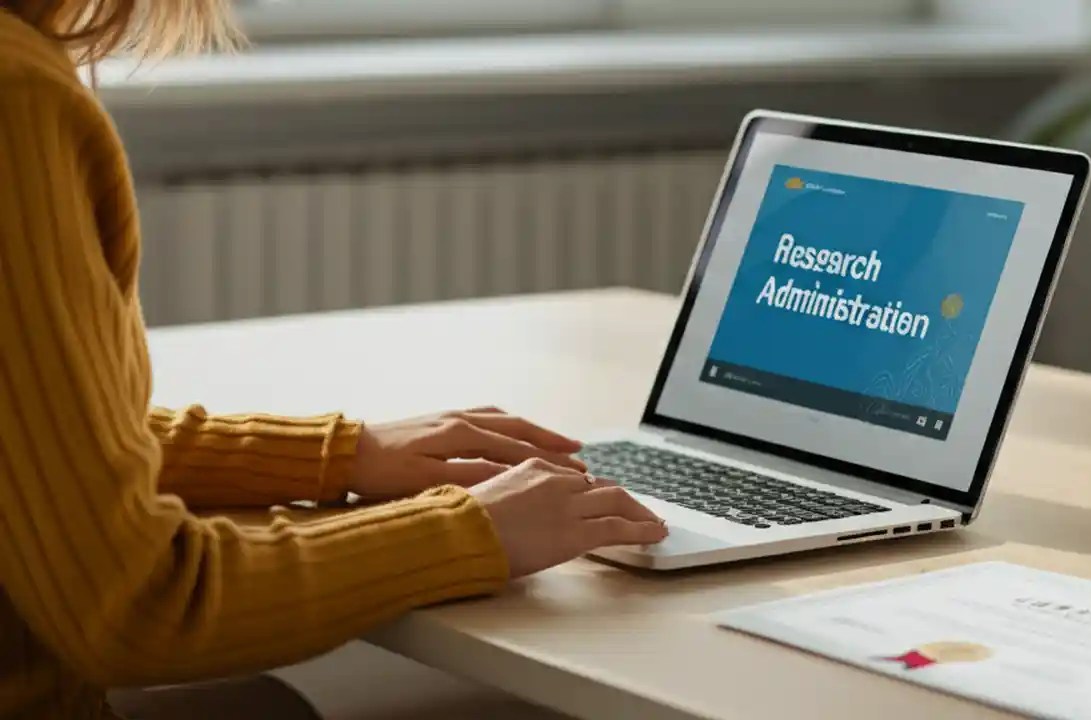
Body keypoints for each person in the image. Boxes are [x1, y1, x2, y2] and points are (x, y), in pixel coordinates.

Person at [0, 1, 669, 717]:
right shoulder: (16, 99)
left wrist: (339, 455)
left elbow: (40, 445)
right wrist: (464, 532)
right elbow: (133, 605)